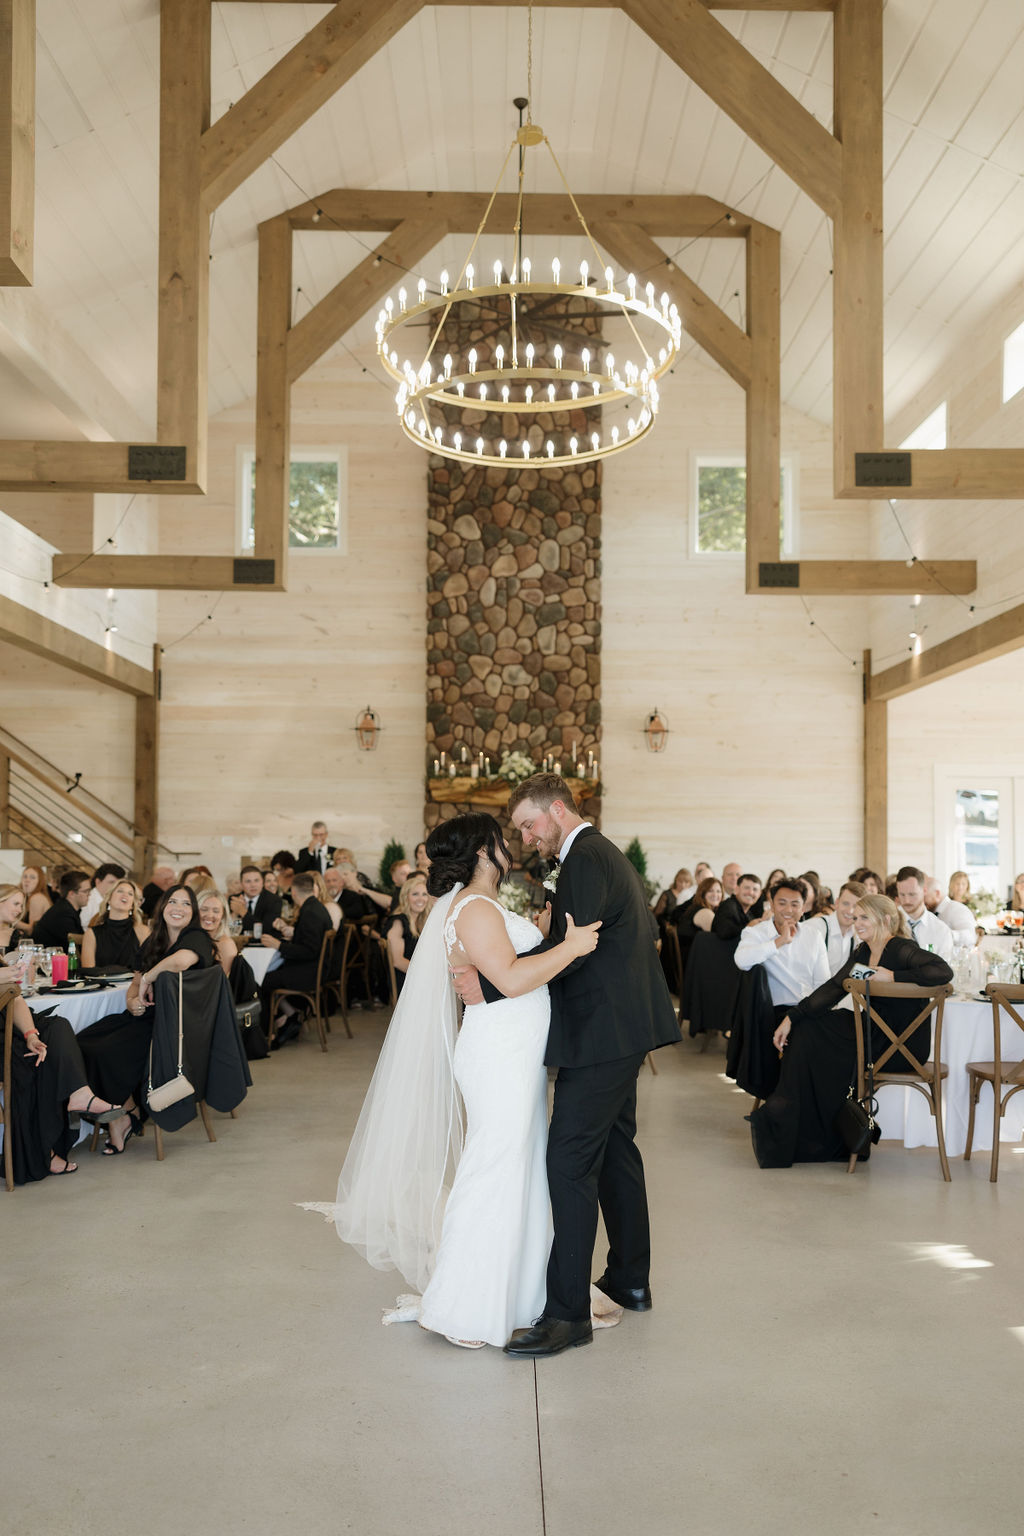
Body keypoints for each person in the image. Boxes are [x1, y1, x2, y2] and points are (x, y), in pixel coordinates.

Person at [308, 811, 602, 1351]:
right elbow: (508, 979)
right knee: (494, 1167)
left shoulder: (480, 904)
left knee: (517, 1166)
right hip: (499, 1054)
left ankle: (519, 1293)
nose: (510, 843)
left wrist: (541, 935)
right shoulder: (474, 907)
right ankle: (465, 1305)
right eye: (500, 838)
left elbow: (501, 964)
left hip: (513, 1051)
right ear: (483, 851)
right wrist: (571, 946)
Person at [749, 894, 954, 1167]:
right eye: (855, 918)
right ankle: (796, 1124)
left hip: (902, 1046)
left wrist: (894, 976)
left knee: (816, 1039)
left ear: (885, 919)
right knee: (806, 1030)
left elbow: (943, 971)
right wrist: (791, 1018)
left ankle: (823, 1134)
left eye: (864, 917)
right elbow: (835, 987)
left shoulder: (900, 948)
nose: (857, 923)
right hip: (873, 1033)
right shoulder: (864, 953)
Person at [77, 885, 216, 1154]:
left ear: (193, 912)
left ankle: (122, 1117)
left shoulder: (197, 937)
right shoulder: (154, 940)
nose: (178, 908)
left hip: (175, 1027)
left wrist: (150, 977)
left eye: (186, 904)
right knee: (83, 1041)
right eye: (172, 902)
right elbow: (135, 982)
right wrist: (132, 1000)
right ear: (162, 907)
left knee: (105, 1051)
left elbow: (181, 962)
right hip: (145, 1017)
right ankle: (125, 1112)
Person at [0, 964, 125, 1181]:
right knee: (26, 1062)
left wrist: (31, 1035)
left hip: (8, 1023)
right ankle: (43, 1154)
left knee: (56, 1029)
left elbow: (15, 999)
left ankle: (80, 1094)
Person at [734, 877, 830, 1024]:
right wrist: (779, 941)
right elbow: (741, 960)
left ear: (803, 908)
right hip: (774, 1013)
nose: (788, 910)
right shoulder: (756, 933)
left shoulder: (814, 936)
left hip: (807, 1010)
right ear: (772, 906)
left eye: (795, 904)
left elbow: (822, 983)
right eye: (782, 903)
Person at [260, 872, 333, 1044]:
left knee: (262, 980)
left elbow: (309, 951)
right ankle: (290, 1015)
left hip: (310, 973)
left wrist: (279, 945)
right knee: (270, 974)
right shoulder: (315, 907)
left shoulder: (310, 912)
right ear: (313, 889)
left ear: (293, 892)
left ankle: (272, 1030)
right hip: (315, 968)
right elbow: (309, 941)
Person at [81, 878, 149, 970]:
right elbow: (88, 971)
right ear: (109, 899)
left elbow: (146, 968)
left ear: (132, 905)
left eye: (130, 894)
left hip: (132, 979)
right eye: (120, 891)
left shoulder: (143, 931)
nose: (125, 895)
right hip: (100, 979)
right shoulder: (91, 934)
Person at [894, 866, 954, 962]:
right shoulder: (887, 923)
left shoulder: (941, 930)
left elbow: (944, 968)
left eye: (912, 894)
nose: (906, 900)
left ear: (924, 891)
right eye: (902, 894)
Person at [386, 872, 430, 994]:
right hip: (406, 981)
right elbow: (398, 962)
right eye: (415, 894)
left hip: (417, 976)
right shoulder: (398, 922)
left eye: (424, 894)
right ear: (406, 897)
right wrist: (427, 975)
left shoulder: (422, 921)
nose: (421, 899)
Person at [811, 880, 865, 972]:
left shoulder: (859, 937)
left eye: (856, 906)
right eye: (846, 903)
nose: (850, 911)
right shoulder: (815, 928)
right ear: (836, 903)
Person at [31, 870, 91, 950]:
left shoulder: (67, 909)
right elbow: (77, 945)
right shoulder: (63, 913)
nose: (89, 894)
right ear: (71, 894)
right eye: (86, 891)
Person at [669, 876, 722, 961]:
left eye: (718, 891)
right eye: (710, 891)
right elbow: (721, 937)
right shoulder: (704, 912)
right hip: (694, 961)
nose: (715, 894)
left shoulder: (695, 907)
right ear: (702, 893)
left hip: (693, 957)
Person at [230, 864, 283, 937]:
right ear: (241, 884)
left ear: (262, 883)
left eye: (256, 880)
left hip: (263, 942)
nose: (253, 885)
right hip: (238, 941)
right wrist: (235, 914)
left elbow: (267, 929)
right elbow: (230, 929)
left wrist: (243, 912)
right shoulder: (233, 899)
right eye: (248, 881)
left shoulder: (274, 900)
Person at [923, 876, 974, 948]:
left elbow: (970, 937)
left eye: (924, 897)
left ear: (937, 893)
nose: (922, 901)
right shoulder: (929, 913)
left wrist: (946, 935)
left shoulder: (957, 909)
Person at [198, 890, 239, 975]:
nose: (210, 915)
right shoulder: (193, 939)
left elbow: (221, 980)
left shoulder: (226, 944)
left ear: (223, 916)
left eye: (216, 911)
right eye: (204, 909)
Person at [712, 873, 764, 940]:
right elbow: (724, 932)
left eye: (755, 889)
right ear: (737, 889)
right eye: (747, 888)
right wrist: (748, 927)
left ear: (759, 894)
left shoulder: (749, 914)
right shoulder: (728, 906)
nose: (751, 892)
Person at [15, 866, 51, 936]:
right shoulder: (27, 897)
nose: (27, 880)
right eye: (25, 877)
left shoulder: (37, 898)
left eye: (32, 877)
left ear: (40, 881)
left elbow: (32, 930)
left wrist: (10, 920)